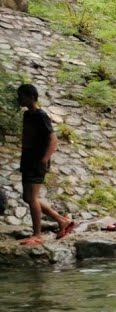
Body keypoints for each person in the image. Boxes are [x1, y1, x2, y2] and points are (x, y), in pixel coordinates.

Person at [16, 84, 74, 245]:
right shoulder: (28, 115)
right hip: (28, 159)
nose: (18, 99)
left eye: (21, 96)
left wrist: (44, 159)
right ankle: (61, 220)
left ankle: (37, 235)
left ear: (31, 97)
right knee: (28, 197)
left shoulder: (41, 115)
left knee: (32, 197)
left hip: (37, 161)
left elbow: (53, 139)